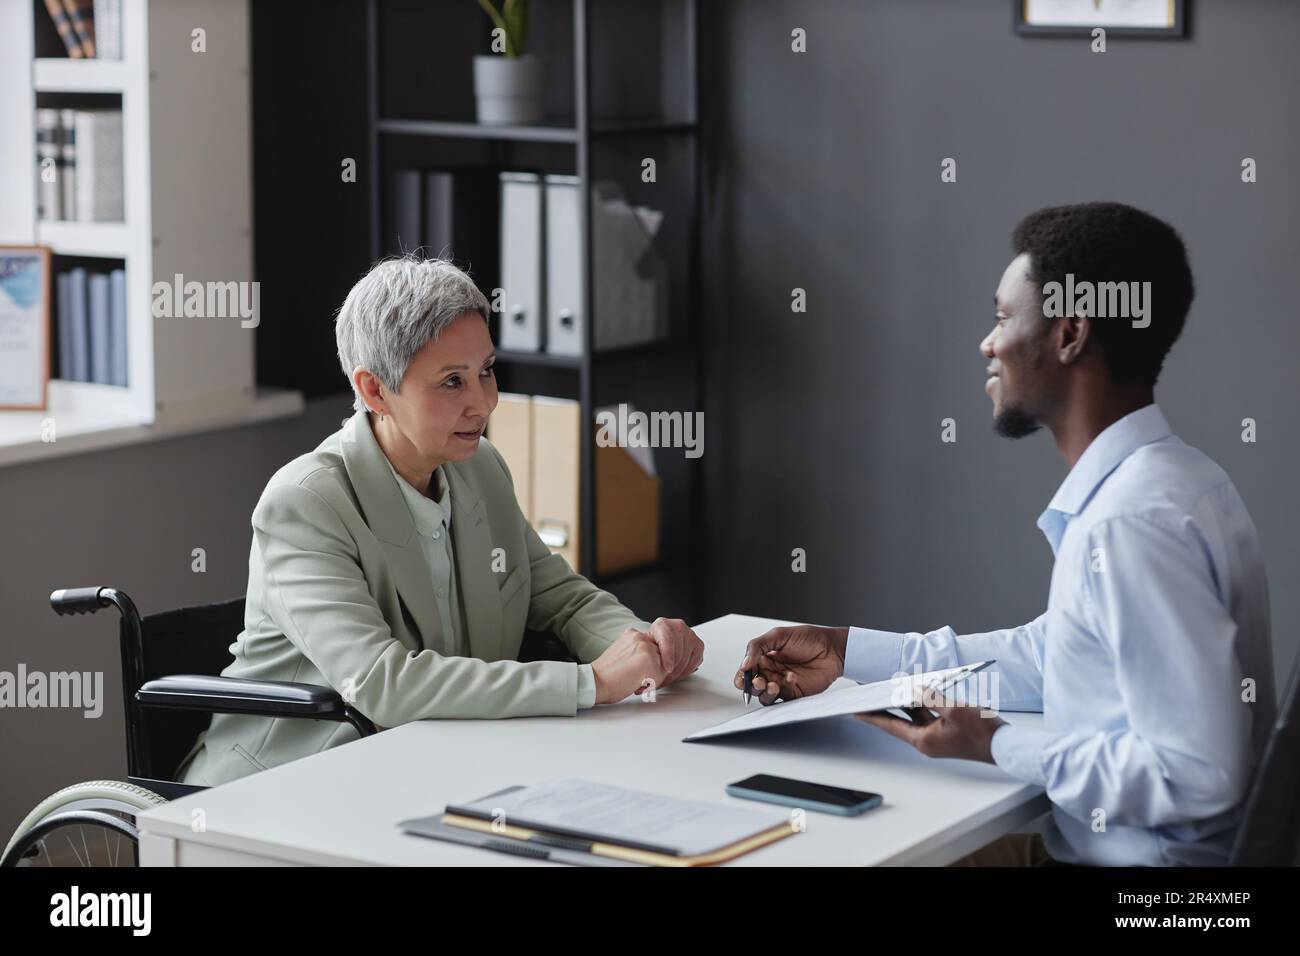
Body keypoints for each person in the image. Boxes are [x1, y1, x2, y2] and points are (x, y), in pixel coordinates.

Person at [734, 202, 1274, 866]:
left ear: (1070, 335)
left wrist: (994, 744)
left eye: (1001, 317)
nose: (987, 344)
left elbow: (1199, 774)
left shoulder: (1131, 525)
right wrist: (848, 652)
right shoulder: (1180, 480)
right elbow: (1055, 660)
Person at [179, 256, 703, 786]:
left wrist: (645, 645)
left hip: (429, 768)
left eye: (486, 371)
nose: (484, 403)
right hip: (284, 786)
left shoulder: (480, 469)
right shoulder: (304, 504)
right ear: (375, 390)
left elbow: (563, 599)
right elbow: (383, 683)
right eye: (452, 382)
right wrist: (588, 684)